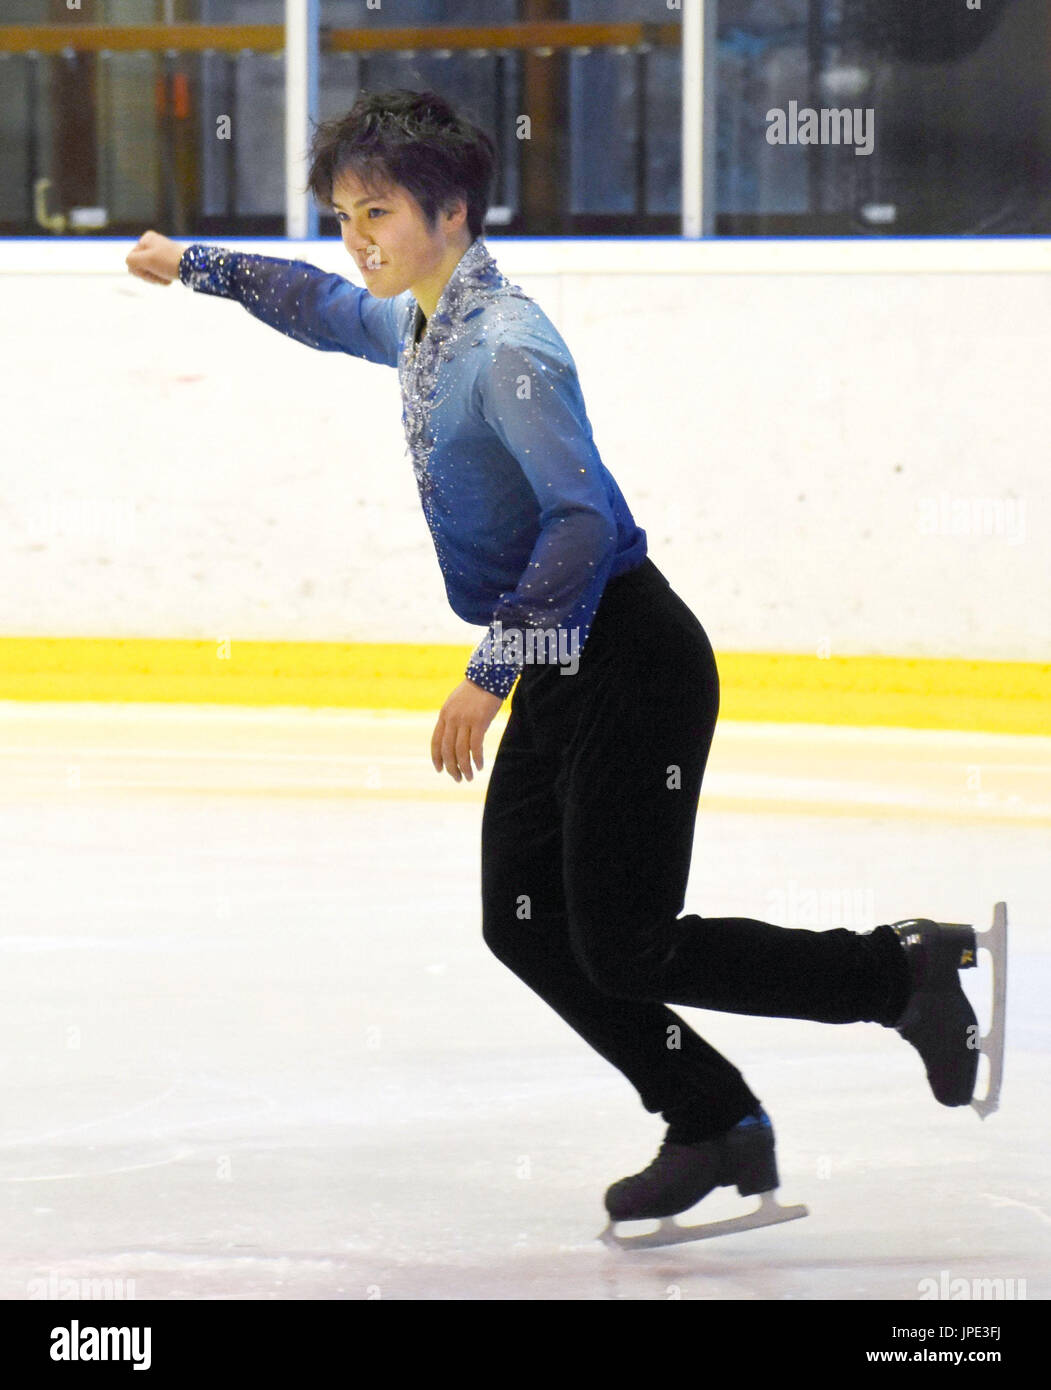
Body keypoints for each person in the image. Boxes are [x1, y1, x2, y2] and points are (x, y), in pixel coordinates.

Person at [126, 88, 1000, 1244]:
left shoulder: (509, 348)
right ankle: (712, 1116)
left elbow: (579, 523)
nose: (356, 238)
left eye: (374, 212)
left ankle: (898, 972)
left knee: (627, 942)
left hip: (628, 653)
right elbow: (325, 304)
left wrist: (489, 671)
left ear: (450, 211)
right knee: (528, 923)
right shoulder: (425, 322)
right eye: (342, 213)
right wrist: (200, 265)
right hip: (566, 661)